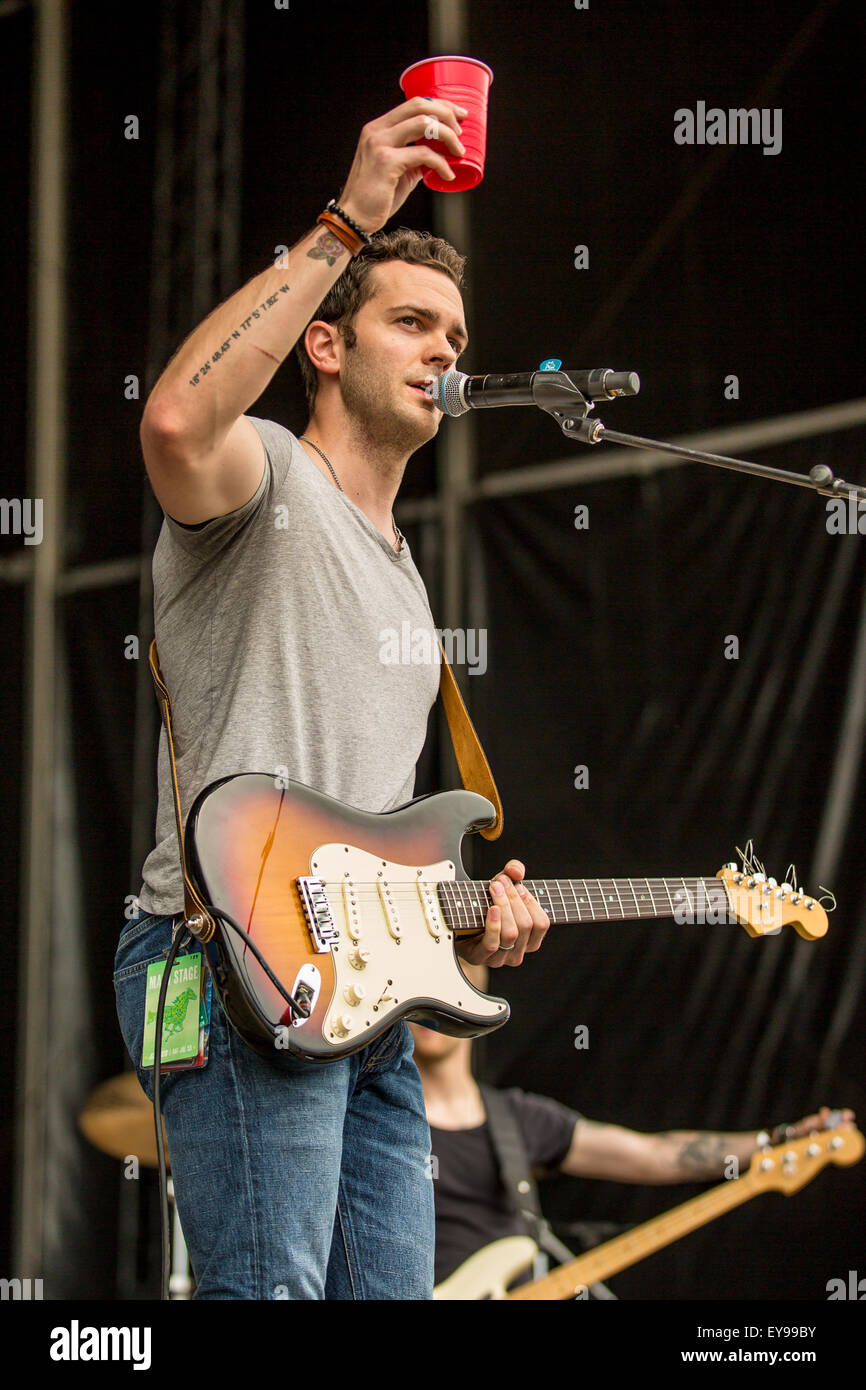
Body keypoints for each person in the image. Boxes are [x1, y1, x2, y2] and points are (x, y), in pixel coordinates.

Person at [112, 95, 550, 1300]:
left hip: (362, 1012)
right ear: (326, 342)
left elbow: (378, 851)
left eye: (454, 338)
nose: (443, 353)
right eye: (410, 323)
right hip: (225, 962)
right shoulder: (265, 471)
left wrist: (469, 920)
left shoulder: (411, 585)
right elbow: (172, 418)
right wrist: (352, 222)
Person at [409, 967, 855, 1293]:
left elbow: (657, 1155)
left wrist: (772, 1141)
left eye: (454, 969)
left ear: (482, 979)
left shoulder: (518, 1120)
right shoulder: (366, 1125)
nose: (433, 996)